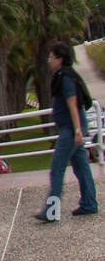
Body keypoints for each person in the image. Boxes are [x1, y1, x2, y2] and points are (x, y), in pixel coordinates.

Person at [35, 43, 98, 221]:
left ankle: (51, 211)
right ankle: (89, 204)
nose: (49, 61)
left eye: (51, 57)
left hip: (70, 129)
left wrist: (77, 131)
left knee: (56, 169)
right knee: (81, 167)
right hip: (71, 129)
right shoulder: (64, 76)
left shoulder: (65, 77)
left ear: (60, 59)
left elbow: (73, 105)